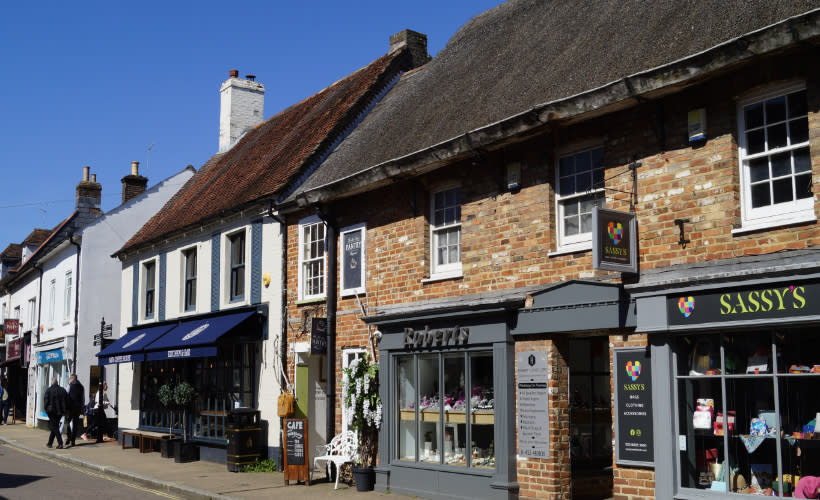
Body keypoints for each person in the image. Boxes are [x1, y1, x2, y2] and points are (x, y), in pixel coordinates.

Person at [44, 377, 68, 449]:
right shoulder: (63, 390)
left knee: (54, 427)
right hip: (60, 412)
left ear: (52, 382)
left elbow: (45, 402)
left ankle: (60, 443)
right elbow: (67, 400)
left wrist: (46, 410)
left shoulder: (48, 390)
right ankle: (49, 443)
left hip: (52, 412)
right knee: (55, 426)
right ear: (57, 382)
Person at [65, 374, 85, 447]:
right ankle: (73, 441)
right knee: (75, 425)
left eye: (69, 378)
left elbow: (65, 395)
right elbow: (83, 399)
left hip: (70, 408)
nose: (69, 380)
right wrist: (82, 408)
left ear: (72, 378)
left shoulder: (69, 386)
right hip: (78, 408)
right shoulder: (81, 387)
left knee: (67, 423)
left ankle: (69, 437)